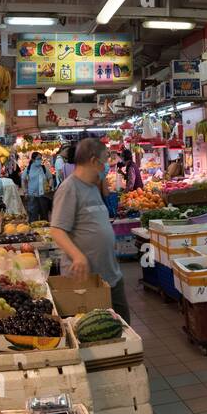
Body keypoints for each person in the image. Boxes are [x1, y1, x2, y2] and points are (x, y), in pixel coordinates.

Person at [50, 138, 129, 322]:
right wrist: (77, 256)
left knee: (123, 328)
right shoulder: (69, 188)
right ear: (93, 161)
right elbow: (56, 229)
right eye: (104, 161)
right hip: (85, 281)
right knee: (96, 334)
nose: (105, 167)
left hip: (110, 275)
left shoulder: (92, 187)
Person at [24, 152, 49, 221]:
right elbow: (23, 179)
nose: (40, 160)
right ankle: (33, 229)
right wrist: (25, 191)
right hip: (32, 195)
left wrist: (49, 186)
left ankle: (45, 229)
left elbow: (50, 178)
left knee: (44, 214)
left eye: (41, 158)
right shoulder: (28, 169)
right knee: (33, 215)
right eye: (38, 159)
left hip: (43, 195)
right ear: (33, 159)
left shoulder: (43, 168)